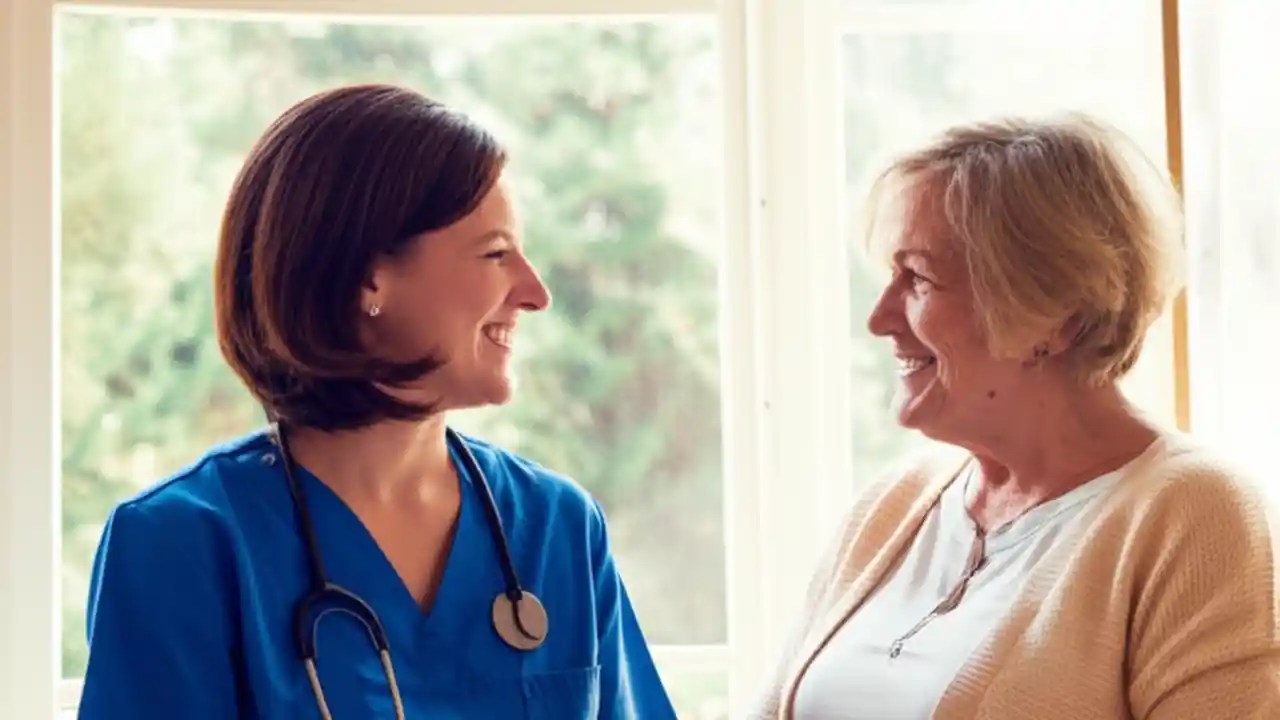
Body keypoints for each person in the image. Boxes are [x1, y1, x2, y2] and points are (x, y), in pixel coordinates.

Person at [78, 84, 676, 719]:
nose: (535, 292)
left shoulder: (558, 529)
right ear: (369, 277)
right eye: (495, 254)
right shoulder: (184, 544)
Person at [752, 114, 1279, 719]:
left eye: (917, 278)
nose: (880, 317)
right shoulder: (896, 502)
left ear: (1055, 317)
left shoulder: (1198, 516)